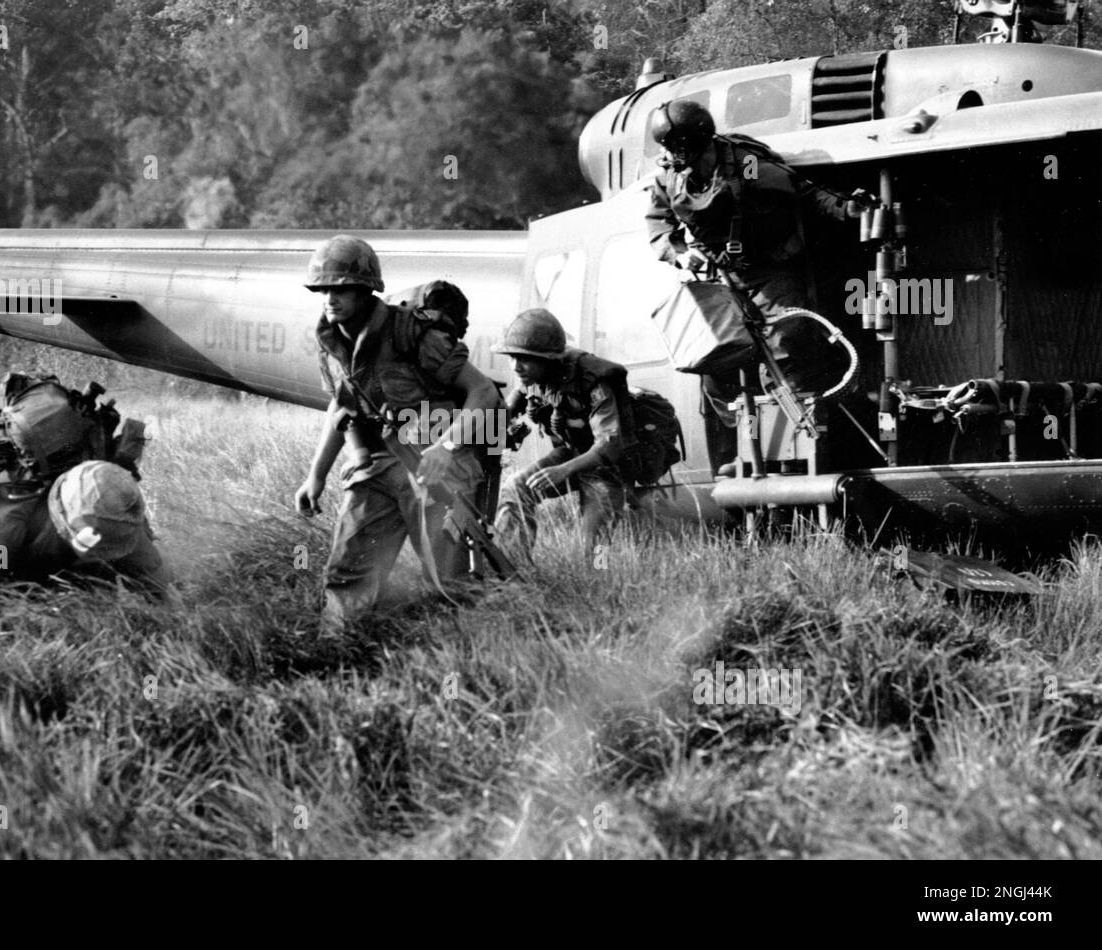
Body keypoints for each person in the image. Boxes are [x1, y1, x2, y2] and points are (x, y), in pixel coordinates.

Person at [294, 234, 503, 636]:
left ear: (366, 290)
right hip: (379, 466)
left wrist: (448, 445)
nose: (329, 299)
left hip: (438, 465)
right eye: (323, 290)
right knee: (348, 569)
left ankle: (463, 655)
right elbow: (341, 406)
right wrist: (315, 476)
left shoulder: (413, 333)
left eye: (340, 290)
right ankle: (336, 651)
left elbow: (484, 393)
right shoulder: (330, 342)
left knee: (448, 580)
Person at [645, 99, 867, 468]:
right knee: (714, 363)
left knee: (787, 342)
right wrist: (680, 254)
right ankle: (742, 452)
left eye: (683, 151)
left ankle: (790, 454)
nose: (676, 159)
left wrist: (844, 209)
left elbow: (802, 190)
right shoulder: (668, 176)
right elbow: (659, 224)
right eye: (671, 151)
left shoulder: (744, 164)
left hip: (768, 269)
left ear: (701, 143)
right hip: (718, 278)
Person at [0, 373, 168, 639]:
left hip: (50, 580)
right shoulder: (0, 538)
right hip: (0, 572)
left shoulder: (116, 517)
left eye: (100, 542)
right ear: (62, 516)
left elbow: (162, 596)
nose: (94, 545)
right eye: (89, 539)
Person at [492, 308, 637, 556]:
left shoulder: (592, 379)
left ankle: (601, 580)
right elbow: (503, 414)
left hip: (606, 468)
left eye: (524, 358)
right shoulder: (531, 376)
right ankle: (509, 567)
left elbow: (610, 443)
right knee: (516, 487)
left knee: (593, 548)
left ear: (548, 358)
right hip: (570, 455)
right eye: (512, 357)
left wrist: (563, 471)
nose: (516, 366)